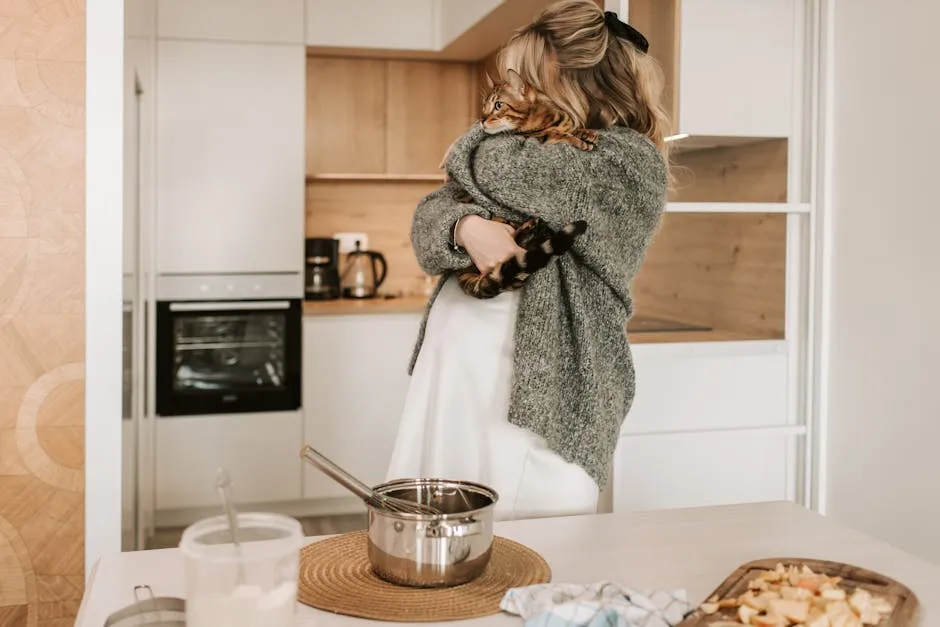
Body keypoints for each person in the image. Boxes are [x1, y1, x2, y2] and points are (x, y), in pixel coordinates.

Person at [385, 0, 671, 521]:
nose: (512, 94)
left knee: (530, 546)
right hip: (456, 381)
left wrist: (468, 161)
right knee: (446, 539)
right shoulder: (523, 145)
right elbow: (428, 218)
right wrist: (464, 226)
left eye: (523, 79)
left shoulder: (627, 161)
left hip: (538, 391)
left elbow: (503, 167)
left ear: (570, 82)